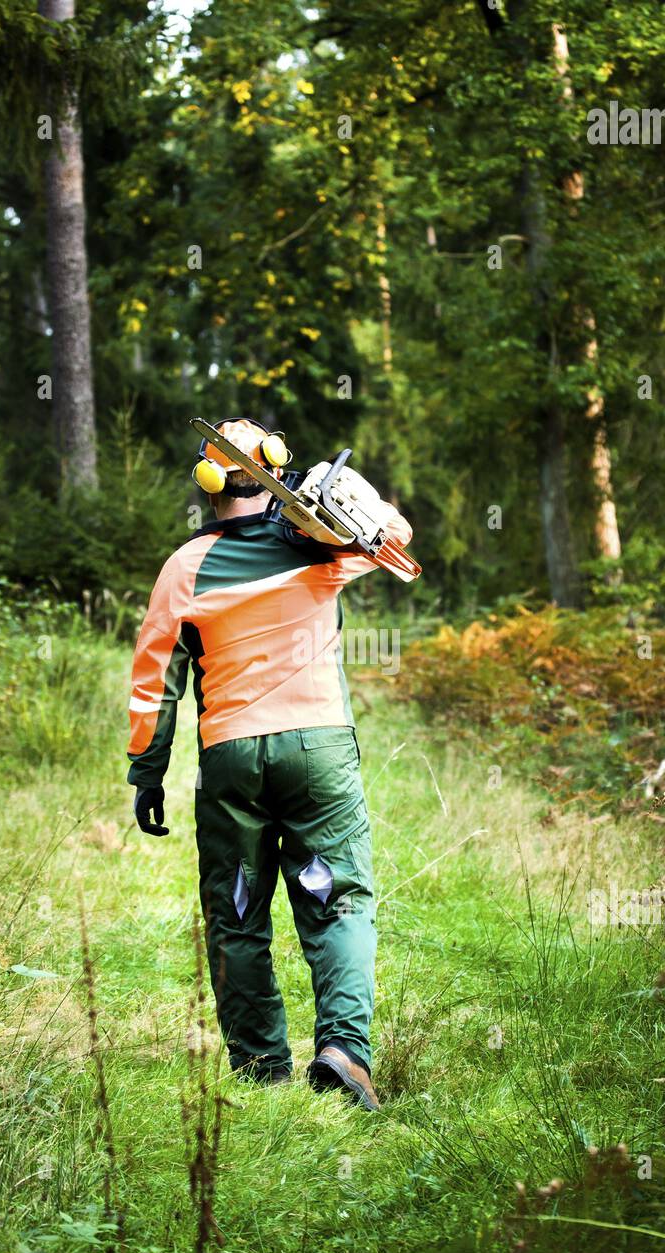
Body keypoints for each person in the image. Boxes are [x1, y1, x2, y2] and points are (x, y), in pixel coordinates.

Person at [126, 417, 414, 1111]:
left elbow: (154, 676)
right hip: (317, 751)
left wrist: (147, 769)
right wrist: (339, 502)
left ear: (206, 485)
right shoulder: (316, 545)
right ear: (277, 471)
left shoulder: (185, 568)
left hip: (231, 760)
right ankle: (344, 1050)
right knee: (335, 896)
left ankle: (260, 1069)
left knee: (238, 908)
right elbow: (396, 541)